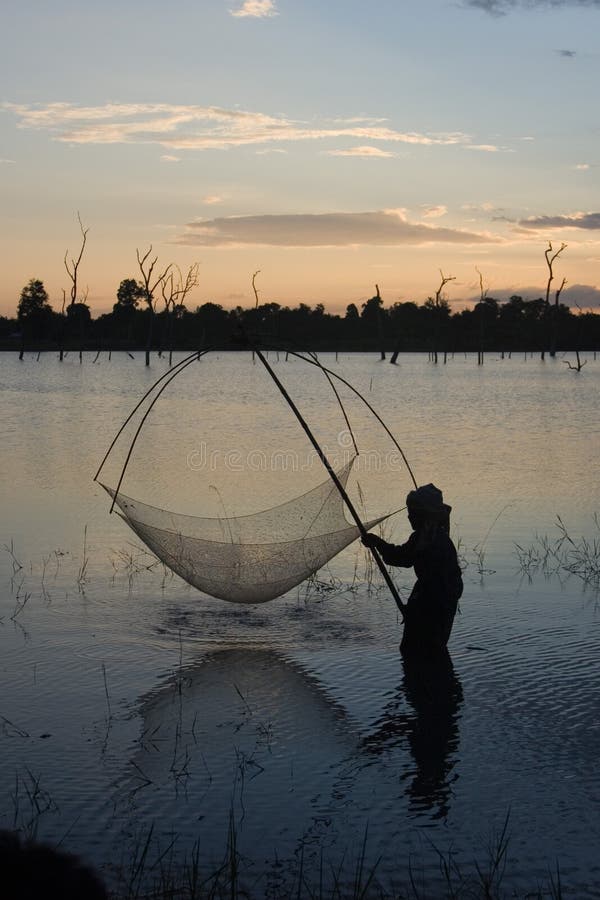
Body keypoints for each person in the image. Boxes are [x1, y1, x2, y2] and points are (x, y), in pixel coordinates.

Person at [362, 483, 463, 654]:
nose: (409, 517)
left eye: (413, 513)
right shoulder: (436, 534)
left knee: (415, 651)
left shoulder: (426, 538)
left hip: (432, 605)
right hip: (441, 603)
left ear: (423, 514)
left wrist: (378, 543)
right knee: (433, 652)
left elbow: (402, 557)